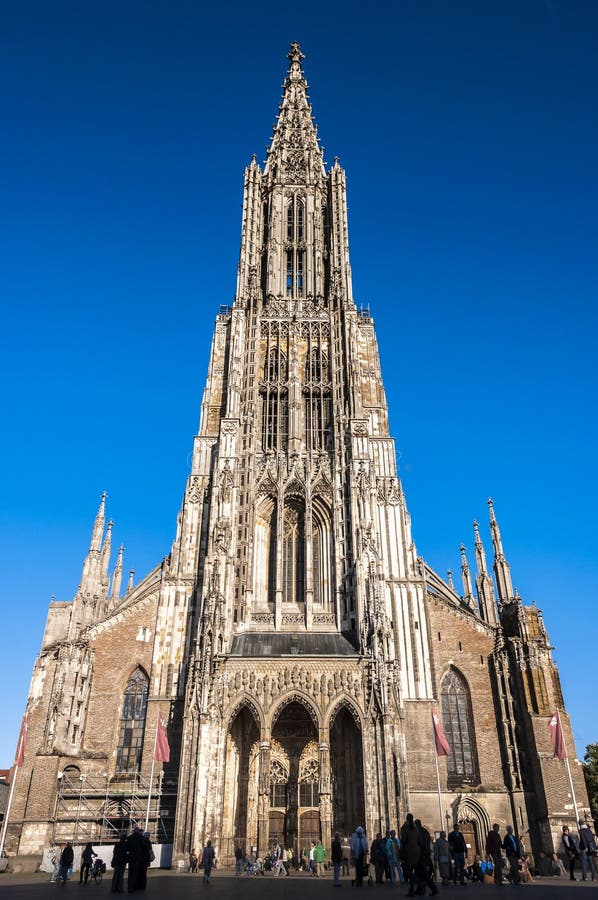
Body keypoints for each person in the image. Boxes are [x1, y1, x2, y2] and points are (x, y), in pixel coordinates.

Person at [400, 814, 422, 897]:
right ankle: (412, 889)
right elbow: (420, 841)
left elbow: (403, 840)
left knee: (408, 871)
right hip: (417, 851)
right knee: (414, 870)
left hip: (409, 852)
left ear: (406, 819)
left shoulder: (405, 827)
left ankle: (419, 884)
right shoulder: (416, 828)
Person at [414, 820, 438, 896]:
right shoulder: (425, 831)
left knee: (422, 874)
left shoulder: (417, 832)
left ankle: (432, 889)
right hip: (426, 854)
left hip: (421, 855)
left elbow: (418, 844)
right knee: (420, 873)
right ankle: (420, 889)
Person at [125, 827, 145, 892]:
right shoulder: (140, 838)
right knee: (135, 872)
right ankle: (133, 887)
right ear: (138, 831)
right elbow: (143, 847)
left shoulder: (129, 837)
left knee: (130, 872)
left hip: (131, 857)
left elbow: (127, 847)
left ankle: (129, 886)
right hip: (137, 857)